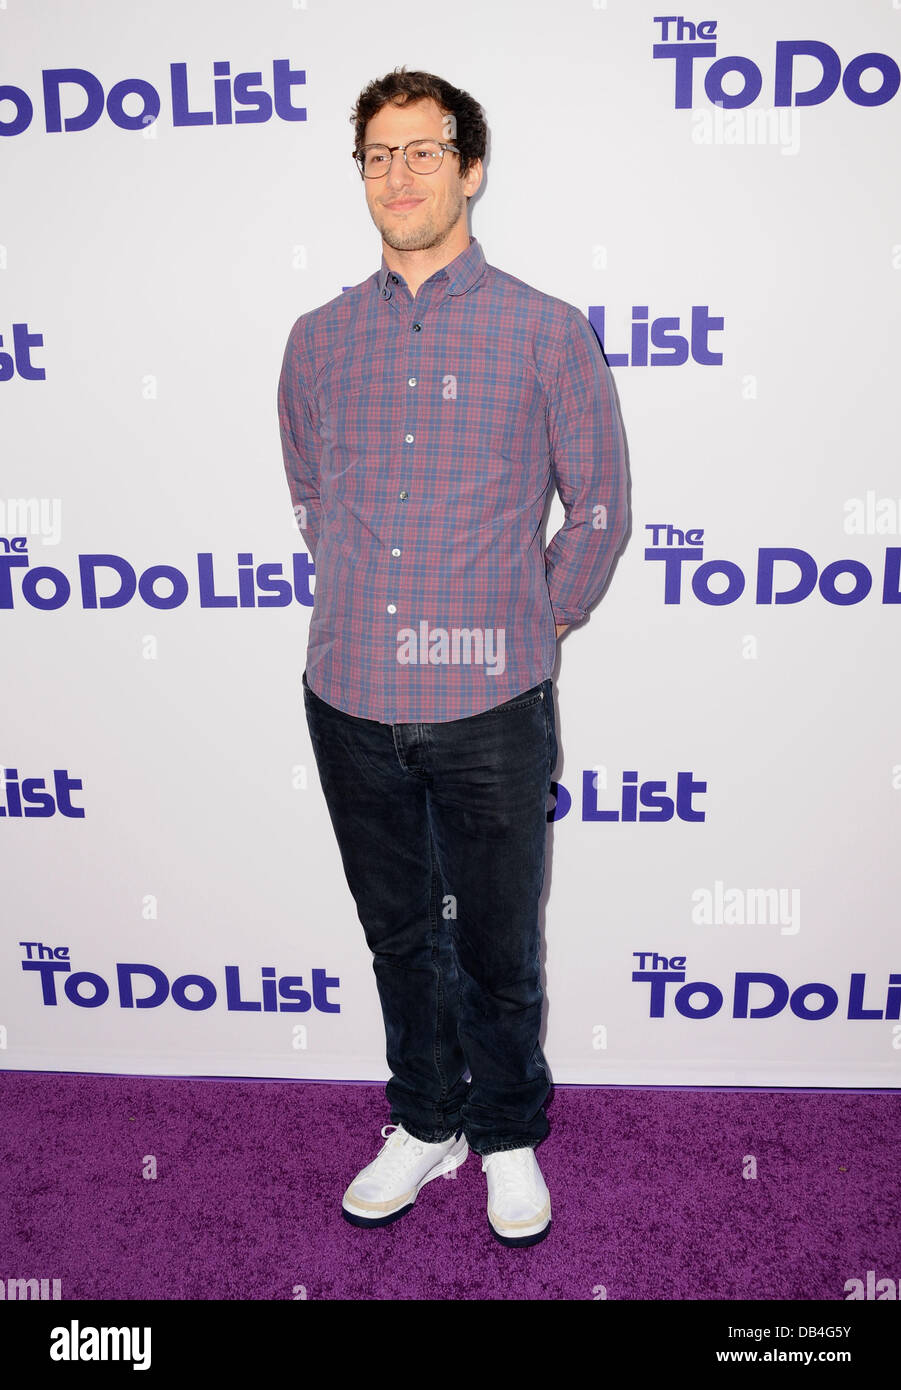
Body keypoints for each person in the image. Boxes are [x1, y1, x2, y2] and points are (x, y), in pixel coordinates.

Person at [278, 67, 628, 1248]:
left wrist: (533, 627)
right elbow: (312, 491)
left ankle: (508, 1134)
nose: (399, 176)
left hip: (489, 703)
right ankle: (424, 1119)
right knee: (397, 932)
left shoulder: (543, 328)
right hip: (349, 696)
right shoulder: (317, 339)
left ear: (470, 168)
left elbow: (596, 513)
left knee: (496, 936)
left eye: (423, 152)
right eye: (377, 155)